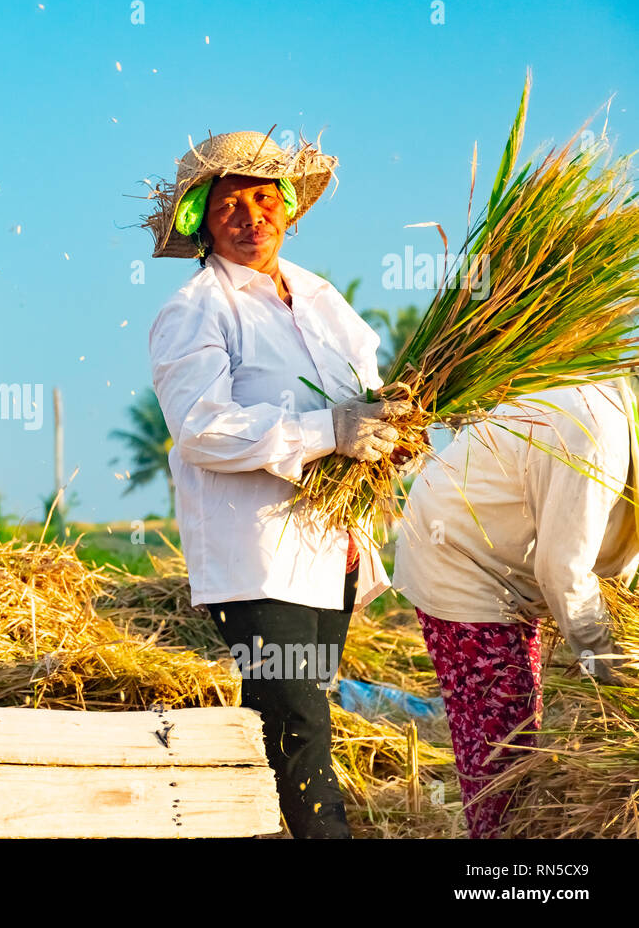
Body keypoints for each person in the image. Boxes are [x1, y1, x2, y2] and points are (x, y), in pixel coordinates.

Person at [145, 130, 408, 838]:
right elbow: (203, 427)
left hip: (333, 551)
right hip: (260, 560)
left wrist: (389, 430)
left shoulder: (320, 297)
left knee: (296, 716)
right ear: (200, 218)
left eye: (266, 198)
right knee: (299, 728)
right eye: (230, 204)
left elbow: (365, 390)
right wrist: (331, 432)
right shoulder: (195, 308)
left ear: (288, 207)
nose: (253, 217)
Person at [393, 380, 639, 838]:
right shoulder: (601, 434)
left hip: (502, 567)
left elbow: (614, 561)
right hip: (462, 561)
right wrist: (614, 667)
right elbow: (563, 569)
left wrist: (612, 639)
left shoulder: (621, 423)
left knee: (521, 730)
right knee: (505, 746)